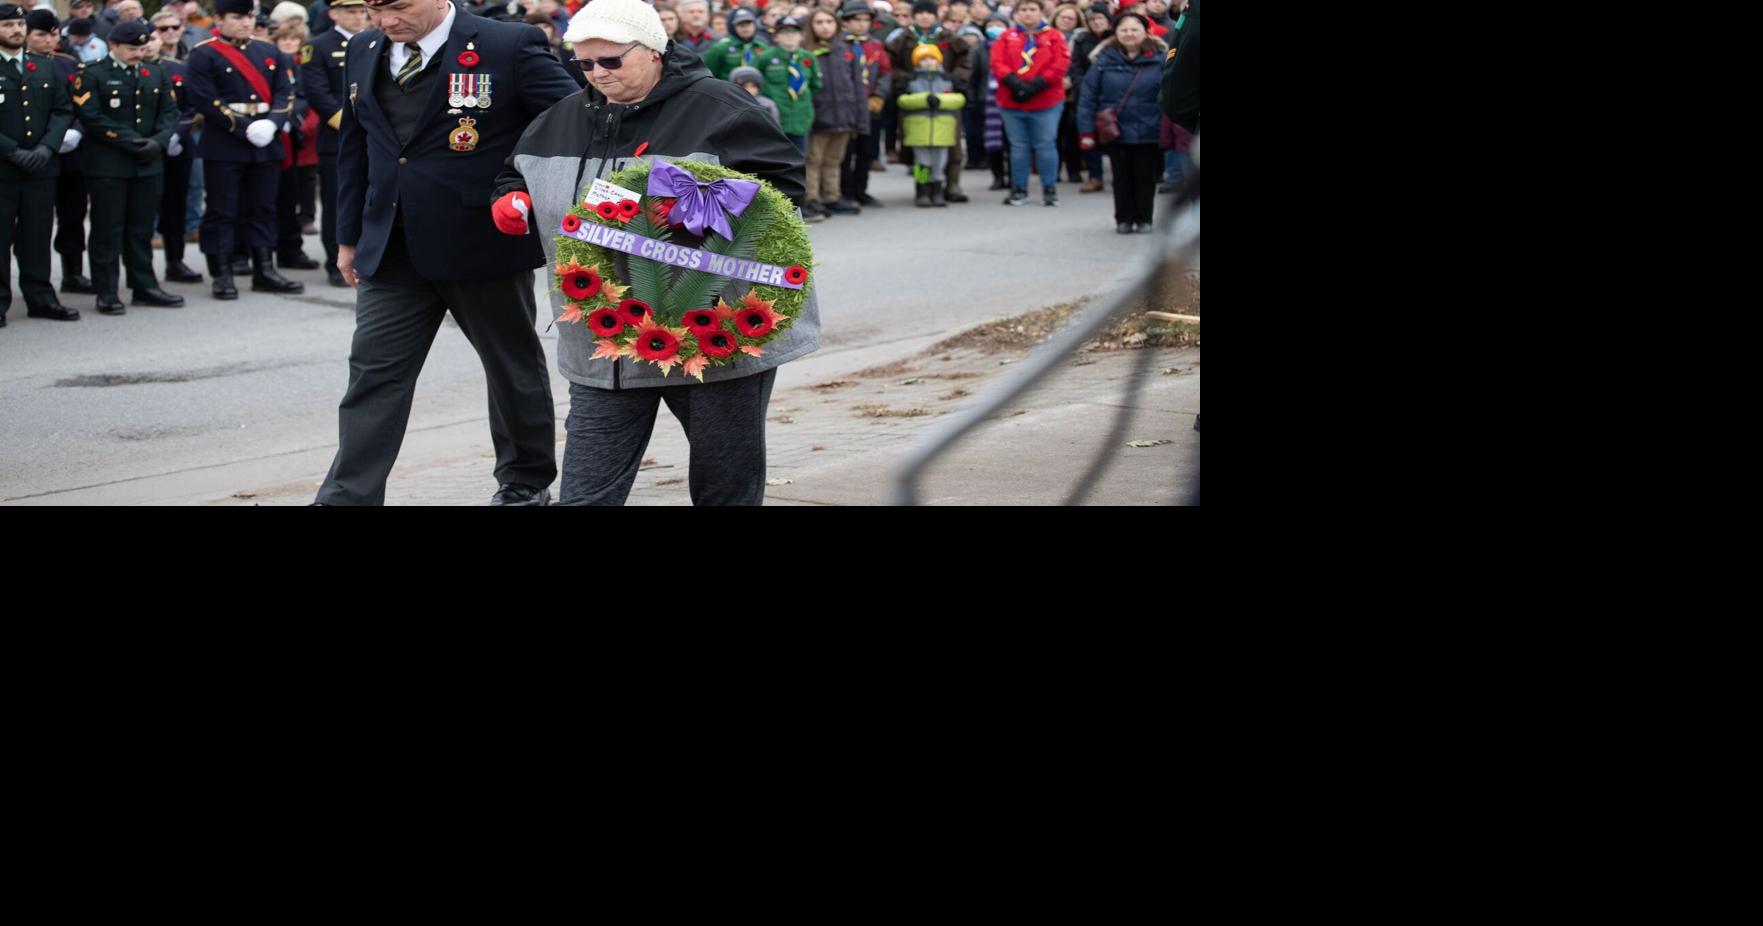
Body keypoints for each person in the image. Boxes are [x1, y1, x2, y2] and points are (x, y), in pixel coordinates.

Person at [491, 0, 816, 505]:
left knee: (724, 486)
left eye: (611, 61)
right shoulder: (561, 118)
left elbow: (783, 190)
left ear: (653, 52)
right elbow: (516, 169)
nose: (596, 74)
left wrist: (682, 212)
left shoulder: (721, 109)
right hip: (606, 343)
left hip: (709, 335)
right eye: (583, 63)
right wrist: (512, 197)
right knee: (584, 493)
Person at [315, 0, 579, 506]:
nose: (384, 21)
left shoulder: (509, 44)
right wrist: (347, 237)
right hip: (391, 244)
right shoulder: (366, 46)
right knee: (373, 373)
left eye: (397, 7)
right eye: (373, 8)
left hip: (479, 238)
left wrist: (522, 189)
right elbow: (357, 146)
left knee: (510, 368)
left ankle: (525, 482)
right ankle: (347, 496)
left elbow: (567, 123)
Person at [185, 0, 305, 299]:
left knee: (263, 208)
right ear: (219, 19)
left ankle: (264, 269)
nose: (246, 23)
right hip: (225, 142)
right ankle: (222, 273)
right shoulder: (203, 53)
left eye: (249, 17)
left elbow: (285, 93)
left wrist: (273, 123)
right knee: (222, 210)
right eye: (237, 17)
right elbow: (204, 98)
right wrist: (241, 126)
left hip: (266, 141)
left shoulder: (268, 50)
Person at [70, 18, 183, 313]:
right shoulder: (92, 73)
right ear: (114, 45)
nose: (138, 53)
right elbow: (91, 116)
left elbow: (170, 113)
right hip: (110, 163)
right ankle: (106, 290)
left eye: (142, 47)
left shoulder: (154, 73)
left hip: (148, 162)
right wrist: (133, 142)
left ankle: (144, 284)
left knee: (141, 229)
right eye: (132, 48)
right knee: (107, 230)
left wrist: (158, 142)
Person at [1, 1, 78, 328]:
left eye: (19, 25)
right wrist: (11, 151)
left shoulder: (44, 65)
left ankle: (41, 297)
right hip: (4, 167)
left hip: (40, 167)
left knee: (37, 235)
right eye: (7, 26)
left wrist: (47, 148)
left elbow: (63, 110)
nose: (16, 31)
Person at [26, 10, 96, 296]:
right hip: (34, 151)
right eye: (41, 35)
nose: (49, 40)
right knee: (31, 221)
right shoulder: (19, 65)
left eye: (53, 34)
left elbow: (84, 101)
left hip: (69, 152)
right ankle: (28, 280)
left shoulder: (68, 63)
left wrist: (77, 130)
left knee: (73, 214)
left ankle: (73, 272)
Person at [1076, 9, 1158, 233]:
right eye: (1124, 30)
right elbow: (1088, 98)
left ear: (1146, 32)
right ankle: (1123, 218)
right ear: (1115, 33)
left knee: (1145, 177)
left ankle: (1144, 218)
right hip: (1115, 130)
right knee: (1121, 177)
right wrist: (1086, 133)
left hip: (1149, 128)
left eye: (1134, 29)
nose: (1129, 34)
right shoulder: (1103, 60)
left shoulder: (1160, 59)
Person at [301, 0, 363, 287]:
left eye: (362, 10)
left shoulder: (375, 40)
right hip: (337, 136)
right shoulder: (318, 45)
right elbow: (316, 92)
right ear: (333, 14)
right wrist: (350, 124)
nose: (358, 16)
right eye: (350, 11)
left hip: (374, 138)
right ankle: (334, 260)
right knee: (338, 201)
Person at [885, 1, 967, 200]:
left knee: (950, 148)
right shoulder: (903, 38)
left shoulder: (948, 36)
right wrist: (903, 79)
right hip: (916, 108)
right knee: (919, 154)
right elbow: (890, 64)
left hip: (944, 103)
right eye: (920, 12)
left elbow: (964, 61)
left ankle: (950, 186)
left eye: (928, 13)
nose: (924, 16)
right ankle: (922, 188)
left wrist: (955, 79)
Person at [990, 0, 1066, 205]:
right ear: (1015, 14)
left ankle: (1049, 188)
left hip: (1046, 100)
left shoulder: (1054, 36)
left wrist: (1038, 84)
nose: (1027, 14)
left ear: (1042, 12)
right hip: (1012, 100)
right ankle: (1019, 188)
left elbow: (1060, 65)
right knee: (1019, 146)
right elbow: (998, 63)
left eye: (1032, 9)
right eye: (1023, 10)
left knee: (1045, 145)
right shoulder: (1006, 37)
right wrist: (1014, 83)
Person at [147, 8, 203, 283]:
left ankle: (175, 261)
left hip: (177, 148)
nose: (150, 43)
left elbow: (191, 107)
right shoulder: (139, 71)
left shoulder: (178, 69)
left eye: (150, 38)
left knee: (175, 207)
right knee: (141, 210)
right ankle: (141, 269)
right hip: (143, 149)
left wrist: (176, 134)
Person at [802, 6, 861, 218]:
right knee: (814, 159)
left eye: (829, 22)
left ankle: (832, 196)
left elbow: (856, 86)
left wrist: (858, 116)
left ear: (836, 24)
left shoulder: (845, 50)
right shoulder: (806, 51)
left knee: (835, 159)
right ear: (811, 26)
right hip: (819, 115)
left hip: (843, 114)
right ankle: (812, 197)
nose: (825, 27)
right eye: (819, 22)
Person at [834, 0, 887, 209]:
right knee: (846, 152)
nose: (862, 24)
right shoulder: (839, 44)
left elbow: (884, 72)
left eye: (866, 20)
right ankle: (845, 192)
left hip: (870, 106)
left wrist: (878, 96)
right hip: (847, 107)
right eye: (856, 19)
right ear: (845, 22)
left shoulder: (875, 45)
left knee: (867, 151)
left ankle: (861, 190)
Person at [896, 42, 962, 206]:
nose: (927, 62)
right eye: (923, 59)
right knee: (922, 162)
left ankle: (937, 190)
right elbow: (901, 100)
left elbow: (960, 98)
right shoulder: (910, 79)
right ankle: (922, 190)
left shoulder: (948, 79)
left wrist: (940, 100)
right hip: (919, 128)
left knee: (940, 162)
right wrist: (923, 99)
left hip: (942, 128)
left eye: (931, 59)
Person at [753, 16, 816, 152]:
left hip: (801, 118)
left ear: (801, 36)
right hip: (775, 118)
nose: (790, 36)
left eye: (794, 32)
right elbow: (755, 83)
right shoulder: (765, 58)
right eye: (784, 32)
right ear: (775, 37)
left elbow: (816, 84)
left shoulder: (808, 58)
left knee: (799, 159)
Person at [1067, 1, 1107, 192]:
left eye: (1100, 18)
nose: (1096, 22)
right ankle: (1094, 175)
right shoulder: (1082, 39)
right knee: (1087, 134)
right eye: (1092, 19)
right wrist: (1084, 87)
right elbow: (1075, 67)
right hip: (1086, 94)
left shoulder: (1116, 38)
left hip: (1111, 94)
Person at [703, 7, 769, 80]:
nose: (745, 28)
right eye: (741, 24)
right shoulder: (720, 48)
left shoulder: (763, 47)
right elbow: (711, 75)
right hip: (728, 89)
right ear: (733, 26)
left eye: (749, 23)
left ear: (755, 25)